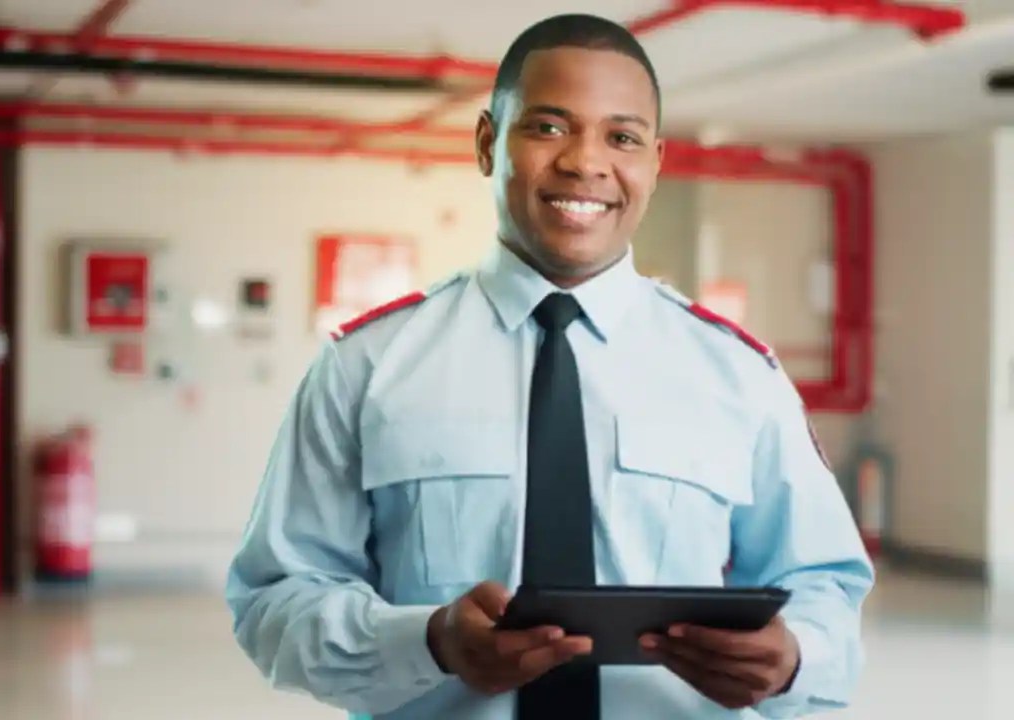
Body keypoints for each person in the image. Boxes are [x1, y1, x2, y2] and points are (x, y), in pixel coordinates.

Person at [225, 12, 874, 720]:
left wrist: (793, 659)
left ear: (655, 162)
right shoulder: (367, 366)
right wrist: (429, 641)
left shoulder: (738, 374)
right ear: (486, 142)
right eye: (548, 127)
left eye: (621, 137)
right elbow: (276, 601)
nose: (584, 163)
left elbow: (824, 586)